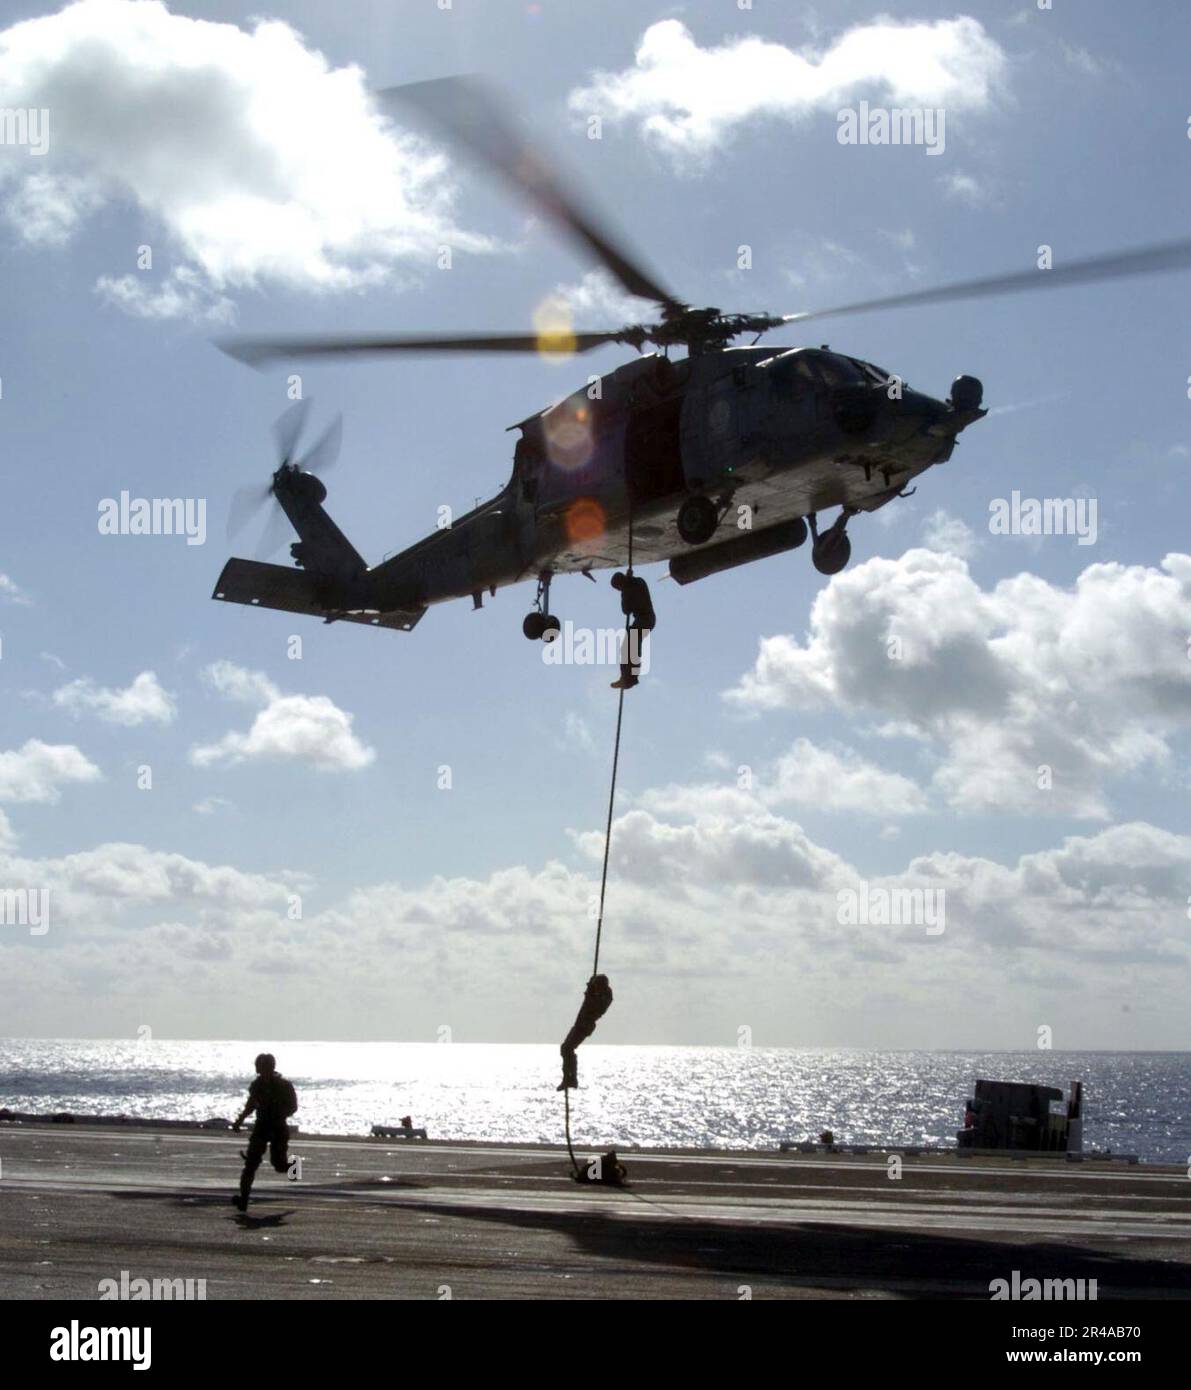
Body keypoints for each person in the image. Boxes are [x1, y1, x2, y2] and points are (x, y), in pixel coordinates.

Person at [231, 1052, 298, 1212]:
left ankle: (294, 1166)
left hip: (278, 1128)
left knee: (279, 1165)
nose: (257, 1068)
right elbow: (251, 1104)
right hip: (261, 1127)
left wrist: (278, 1114)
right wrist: (239, 1120)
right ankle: (244, 1200)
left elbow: (293, 1107)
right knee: (250, 1165)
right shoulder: (257, 1085)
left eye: (259, 1065)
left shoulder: (284, 1085)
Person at [609, 570, 655, 690]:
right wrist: (627, 584)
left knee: (631, 646)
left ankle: (629, 678)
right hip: (645, 619)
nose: (620, 590)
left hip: (645, 618)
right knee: (629, 647)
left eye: (619, 588)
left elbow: (626, 610)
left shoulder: (630, 587)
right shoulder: (638, 582)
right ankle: (627, 677)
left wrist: (624, 591)